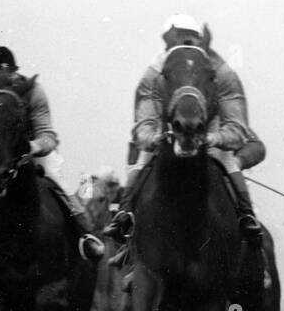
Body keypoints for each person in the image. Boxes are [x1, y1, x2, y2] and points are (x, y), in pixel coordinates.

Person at [105, 14, 266, 253]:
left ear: (200, 40)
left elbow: (237, 127)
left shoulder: (221, 70)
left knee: (227, 160)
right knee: (142, 161)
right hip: (166, 128)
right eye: (178, 38)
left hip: (208, 128)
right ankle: (124, 215)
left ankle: (246, 215)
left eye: (190, 39)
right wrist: (153, 138)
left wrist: (214, 138)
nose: (184, 43)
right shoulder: (155, 71)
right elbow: (143, 122)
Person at [0, 46, 105, 261]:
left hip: (34, 152)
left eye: (7, 75)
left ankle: (86, 235)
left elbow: (48, 135)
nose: (1, 79)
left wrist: (31, 148)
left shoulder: (33, 91)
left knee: (60, 182)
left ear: (15, 73)